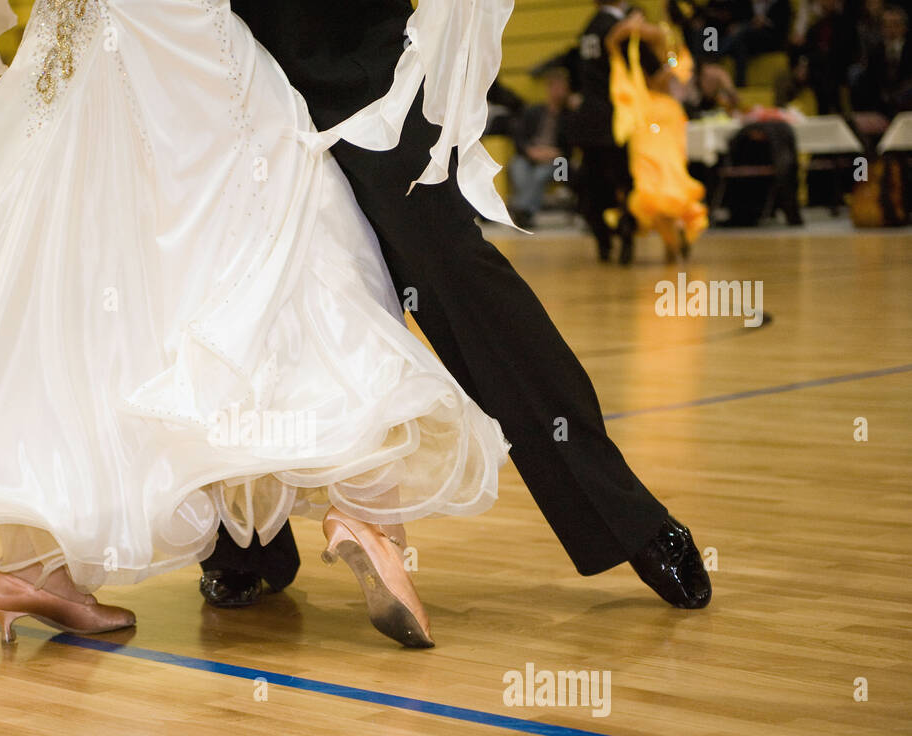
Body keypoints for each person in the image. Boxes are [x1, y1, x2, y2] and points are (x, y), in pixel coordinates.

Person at [0, 0, 513, 650]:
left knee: (58, 274)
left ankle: (32, 561)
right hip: (177, 33)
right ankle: (366, 507)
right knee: (285, 223)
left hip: (68, 41)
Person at [211, 0, 712, 613]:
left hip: (364, 73)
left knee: (462, 284)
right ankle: (244, 539)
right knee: (240, 301)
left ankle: (625, 513)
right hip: (232, 77)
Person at [608, 13, 708, 262]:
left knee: (666, 179)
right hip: (647, 118)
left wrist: (633, 30)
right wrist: (629, 30)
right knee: (654, 181)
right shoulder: (644, 44)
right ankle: (673, 239)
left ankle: (673, 241)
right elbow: (612, 44)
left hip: (661, 117)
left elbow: (670, 76)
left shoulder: (667, 44)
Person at [569, 0, 639, 264]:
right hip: (616, 118)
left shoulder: (589, 27)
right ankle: (627, 232)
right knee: (624, 181)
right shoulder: (619, 27)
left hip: (588, 119)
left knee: (593, 183)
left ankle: (603, 238)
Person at [508, 69, 571, 230]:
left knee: (540, 174)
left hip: (559, 161)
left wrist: (553, 153)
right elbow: (519, 138)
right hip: (531, 156)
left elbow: (570, 148)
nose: (558, 92)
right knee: (517, 168)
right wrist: (530, 151)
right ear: (549, 89)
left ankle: (521, 210)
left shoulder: (569, 116)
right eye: (555, 87)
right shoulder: (533, 111)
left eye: (561, 88)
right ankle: (525, 211)